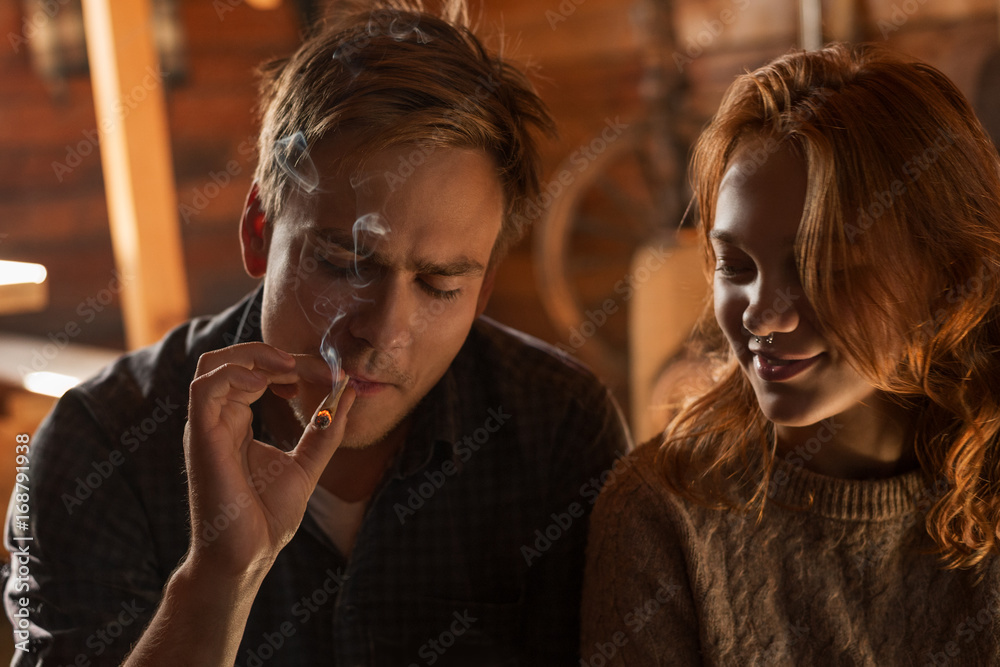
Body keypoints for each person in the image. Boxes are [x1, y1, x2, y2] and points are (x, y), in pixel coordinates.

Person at [4, 2, 631, 664]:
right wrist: (218, 579)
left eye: (440, 285)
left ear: (485, 288)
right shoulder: (98, 449)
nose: (383, 331)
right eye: (345, 263)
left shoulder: (558, 429)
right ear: (259, 231)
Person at [581, 43, 1000, 665]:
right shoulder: (661, 515)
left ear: (946, 275)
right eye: (735, 266)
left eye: (821, 268)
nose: (760, 316)